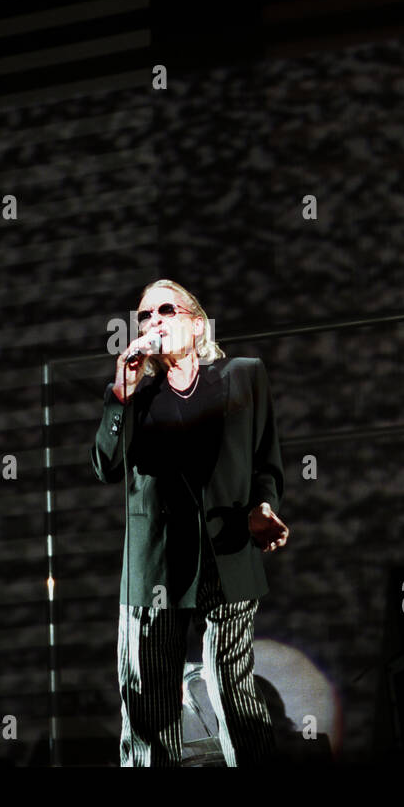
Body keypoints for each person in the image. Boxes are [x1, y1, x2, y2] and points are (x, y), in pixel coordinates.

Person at [91, 279, 289, 766]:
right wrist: (121, 392)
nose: (152, 321)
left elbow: (266, 462)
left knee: (234, 694)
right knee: (151, 705)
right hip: (155, 563)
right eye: (144, 315)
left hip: (227, 550)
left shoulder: (245, 375)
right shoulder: (135, 392)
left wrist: (263, 508)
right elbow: (106, 466)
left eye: (165, 310)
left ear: (196, 323)